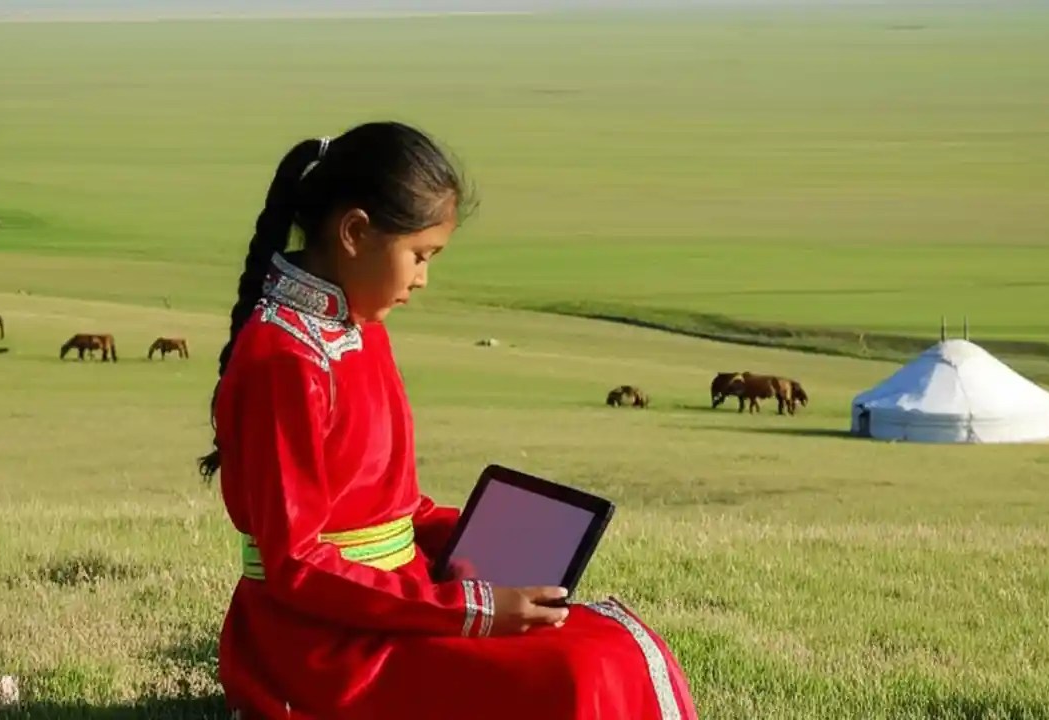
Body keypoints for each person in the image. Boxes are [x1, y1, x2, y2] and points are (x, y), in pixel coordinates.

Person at [199, 121, 699, 720]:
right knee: (576, 668)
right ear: (355, 232)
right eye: (419, 256)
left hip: (394, 603)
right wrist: (471, 608)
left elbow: (389, 511)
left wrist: (497, 544)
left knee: (614, 644)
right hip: (322, 643)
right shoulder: (286, 361)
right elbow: (296, 564)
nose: (422, 279)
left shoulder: (358, 329)